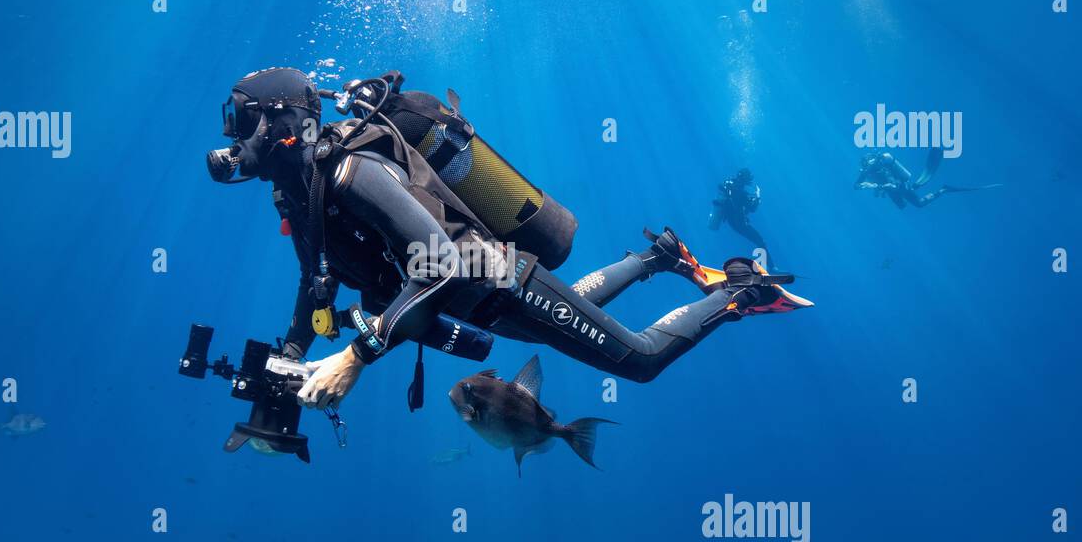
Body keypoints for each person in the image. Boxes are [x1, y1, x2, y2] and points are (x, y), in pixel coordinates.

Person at [207, 67, 812, 411]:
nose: (234, 140)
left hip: (500, 280)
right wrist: (289, 354)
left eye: (240, 122)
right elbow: (315, 284)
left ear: (280, 122)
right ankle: (658, 256)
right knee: (574, 303)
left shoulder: (351, 172)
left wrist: (356, 357)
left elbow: (440, 262)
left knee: (640, 361)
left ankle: (740, 292)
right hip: (485, 306)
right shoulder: (301, 196)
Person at [854, 150, 997, 209]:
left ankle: (943, 190)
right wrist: (870, 186)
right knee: (904, 205)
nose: (866, 169)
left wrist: (875, 187)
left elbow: (891, 184)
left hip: (896, 186)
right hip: (892, 188)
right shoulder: (868, 171)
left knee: (918, 203)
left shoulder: (879, 170)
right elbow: (857, 185)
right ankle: (915, 186)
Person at [709, 168, 772, 264]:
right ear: (746, 179)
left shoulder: (730, 185)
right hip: (740, 224)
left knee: (757, 241)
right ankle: (770, 267)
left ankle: (764, 265)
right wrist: (758, 196)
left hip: (732, 222)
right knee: (760, 241)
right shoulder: (740, 192)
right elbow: (752, 208)